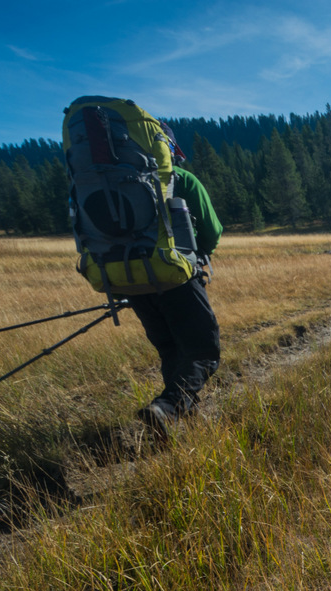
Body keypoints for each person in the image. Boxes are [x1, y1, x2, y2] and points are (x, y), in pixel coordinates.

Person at [131, 121, 224, 437]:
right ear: (167, 149)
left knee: (170, 348)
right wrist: (201, 256)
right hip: (176, 277)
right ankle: (168, 406)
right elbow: (212, 230)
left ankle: (178, 419)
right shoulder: (182, 180)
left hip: (132, 283)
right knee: (203, 349)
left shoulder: (121, 186)